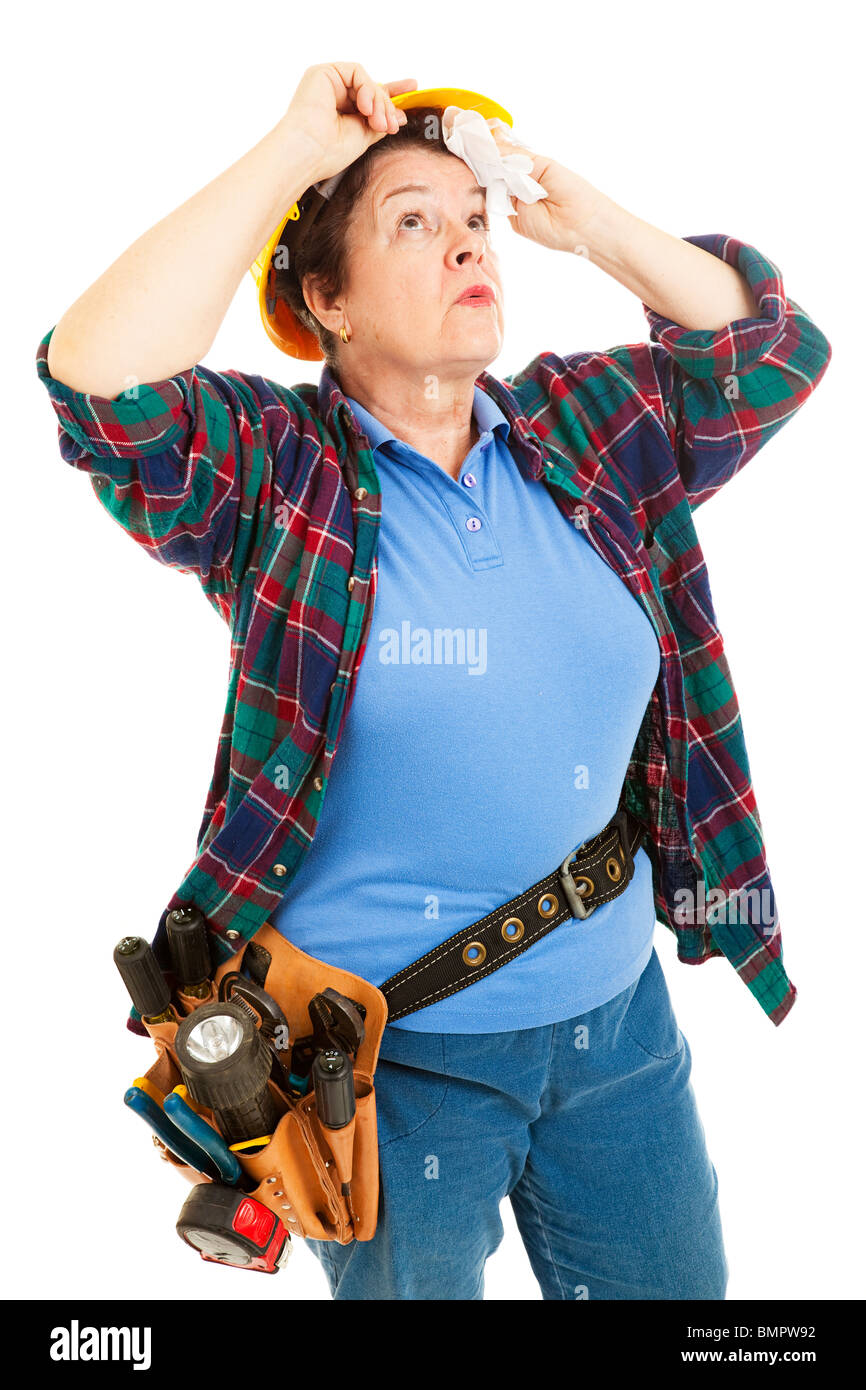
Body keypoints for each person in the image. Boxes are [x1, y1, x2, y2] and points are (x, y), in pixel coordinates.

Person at [36, 62, 831, 1300]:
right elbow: (98, 386)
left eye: (474, 218)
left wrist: (593, 227)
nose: (468, 243)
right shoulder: (280, 471)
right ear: (327, 302)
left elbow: (771, 352)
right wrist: (296, 151)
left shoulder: (579, 427)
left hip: (615, 1037)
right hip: (389, 1066)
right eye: (414, 220)